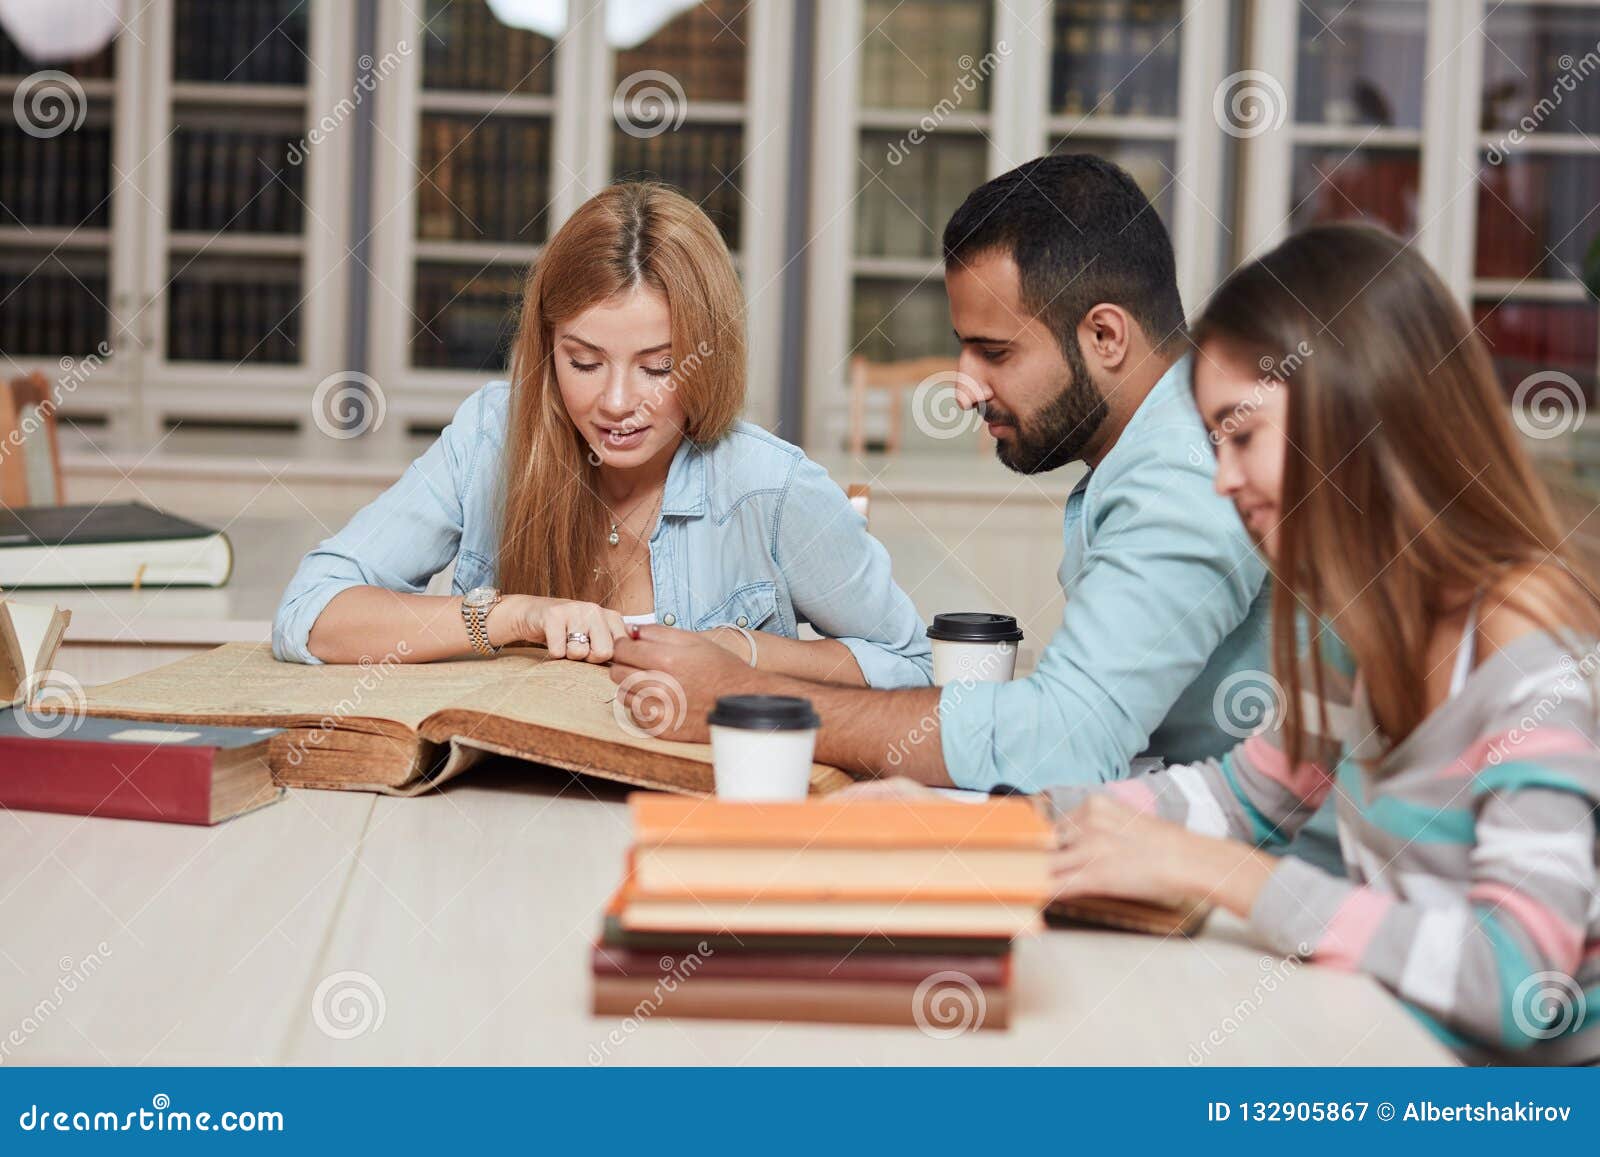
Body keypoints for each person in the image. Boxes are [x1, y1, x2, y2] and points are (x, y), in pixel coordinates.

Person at [854, 224, 1600, 1065]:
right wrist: (988, 827)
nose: (1222, 479)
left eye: (1242, 436)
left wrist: (1230, 875)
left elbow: (1517, 986)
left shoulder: (1527, 640)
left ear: (1356, 417)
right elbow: (1240, 799)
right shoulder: (1362, 626)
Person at [612, 154, 1346, 866]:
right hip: (1180, 852)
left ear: (1106, 336)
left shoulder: (1184, 474)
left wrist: (741, 694)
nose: (963, 387)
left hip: (1266, 905)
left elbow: (1066, 739)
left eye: (993, 351)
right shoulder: (1157, 449)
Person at [272, 181, 931, 689]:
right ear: (546, 347)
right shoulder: (491, 438)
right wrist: (514, 616)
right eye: (583, 362)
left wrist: (744, 652)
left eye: (658, 368)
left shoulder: (772, 486)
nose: (617, 403)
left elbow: (910, 661)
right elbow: (311, 612)